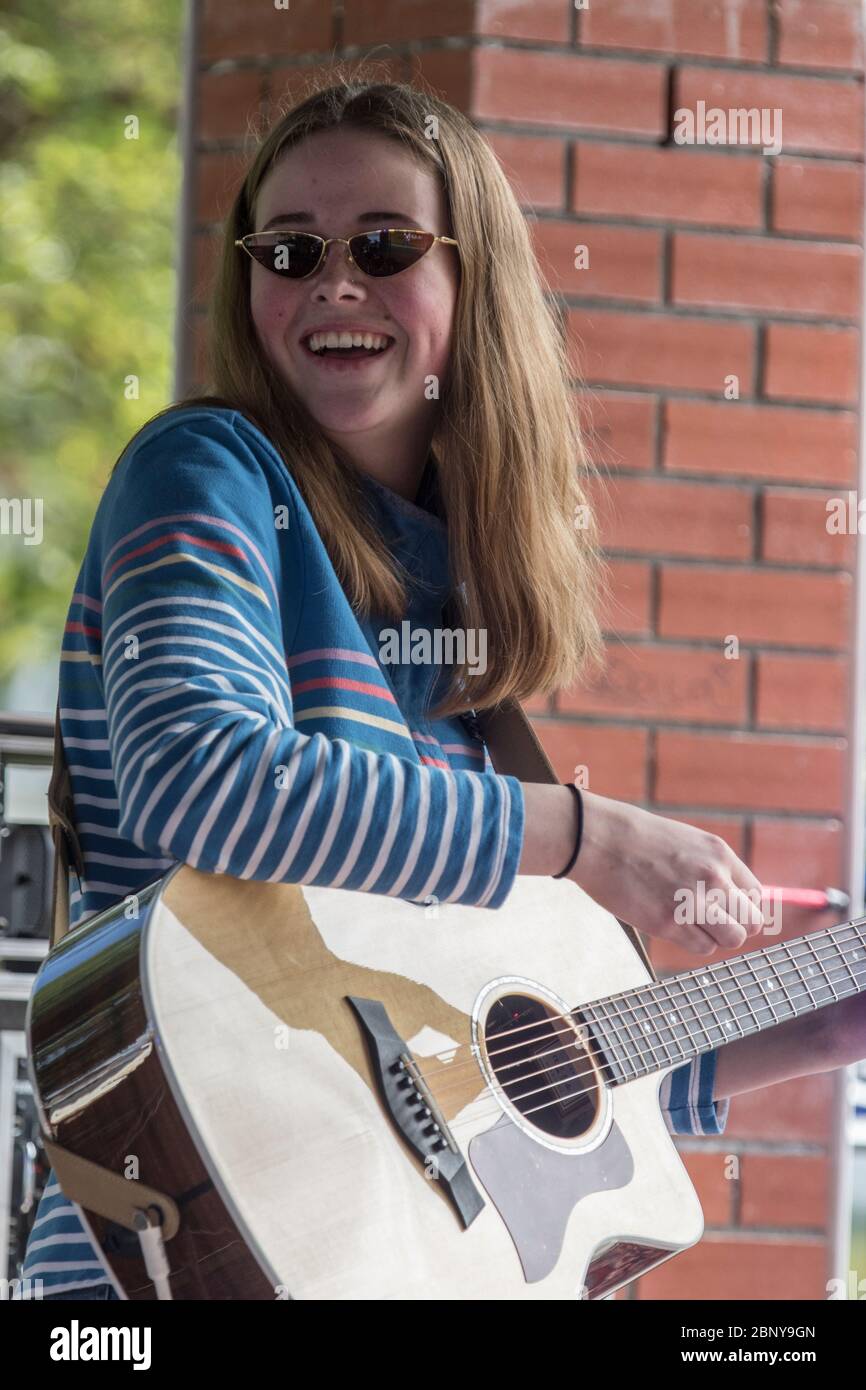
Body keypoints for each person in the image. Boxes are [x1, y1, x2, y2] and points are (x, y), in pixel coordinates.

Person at [20, 75, 865, 1301]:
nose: (332, 281)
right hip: (145, 1275)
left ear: (478, 286)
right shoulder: (206, 470)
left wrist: (826, 1022)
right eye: (290, 249)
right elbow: (200, 780)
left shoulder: (456, 642)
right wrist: (586, 836)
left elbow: (484, 1077)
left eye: (382, 244)